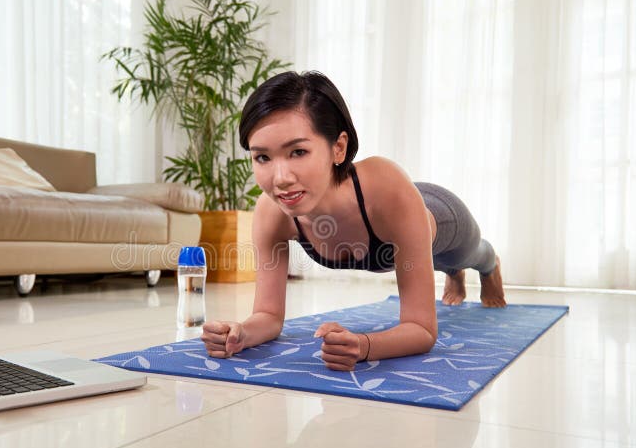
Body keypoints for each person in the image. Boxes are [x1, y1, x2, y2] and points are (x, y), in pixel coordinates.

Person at [201, 71, 506, 371]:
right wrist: (240, 334)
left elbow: (422, 329)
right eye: (262, 158)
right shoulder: (272, 212)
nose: (280, 179)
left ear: (339, 147)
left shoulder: (387, 186)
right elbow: (268, 315)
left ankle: (487, 267)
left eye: (298, 151)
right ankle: (453, 272)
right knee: (429, 263)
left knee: (472, 254)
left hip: (437, 214)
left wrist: (364, 345)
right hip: (400, 231)